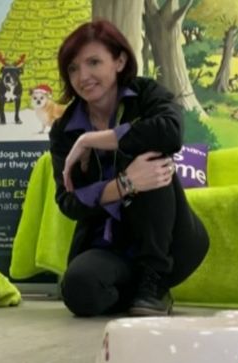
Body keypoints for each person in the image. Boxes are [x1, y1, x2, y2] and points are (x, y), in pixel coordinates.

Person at [49, 19, 209, 317]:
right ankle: (137, 293)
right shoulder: (64, 130)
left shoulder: (147, 94)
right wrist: (123, 185)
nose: (83, 76)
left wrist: (94, 139)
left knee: (151, 156)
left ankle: (154, 281)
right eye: (72, 68)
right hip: (109, 247)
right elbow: (69, 201)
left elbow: (169, 133)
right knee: (78, 289)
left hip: (172, 244)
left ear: (119, 60)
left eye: (93, 62)